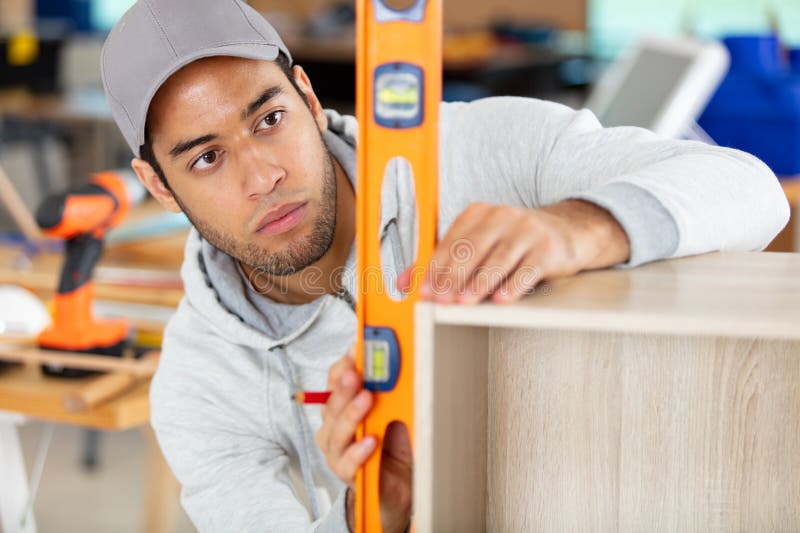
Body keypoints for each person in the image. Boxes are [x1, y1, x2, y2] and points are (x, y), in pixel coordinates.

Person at [101, 0, 788, 531]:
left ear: (308, 97)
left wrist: (579, 227)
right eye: (207, 158)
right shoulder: (198, 386)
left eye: (269, 119)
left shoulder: (471, 150)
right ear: (158, 184)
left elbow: (752, 190)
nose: (262, 177)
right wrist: (372, 516)